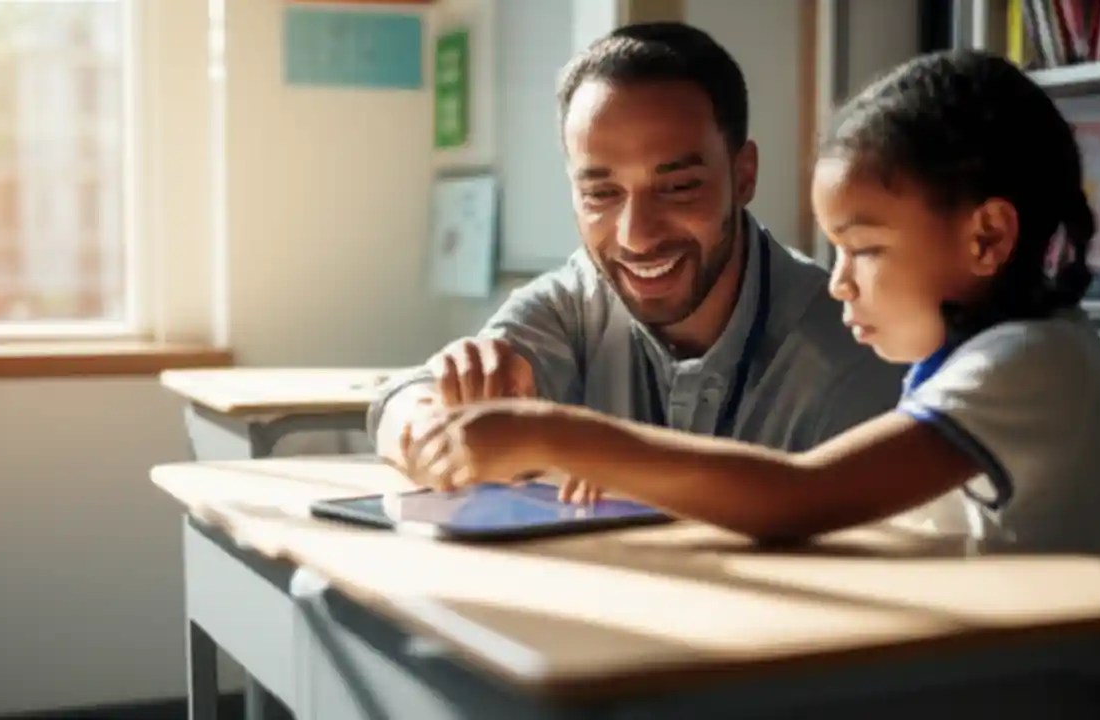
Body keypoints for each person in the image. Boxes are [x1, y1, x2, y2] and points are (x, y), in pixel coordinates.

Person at [401, 49, 1100, 556]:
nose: (838, 280)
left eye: (866, 249)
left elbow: (802, 495)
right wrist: (627, 469)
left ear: (988, 235)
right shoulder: (983, 359)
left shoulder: (1032, 362)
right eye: (835, 250)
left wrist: (558, 435)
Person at [369, 23, 903, 484]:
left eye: (677, 188)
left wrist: (559, 443)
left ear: (743, 176)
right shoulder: (576, 302)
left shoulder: (849, 347)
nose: (636, 237)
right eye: (601, 193)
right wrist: (432, 427)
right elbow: (401, 402)